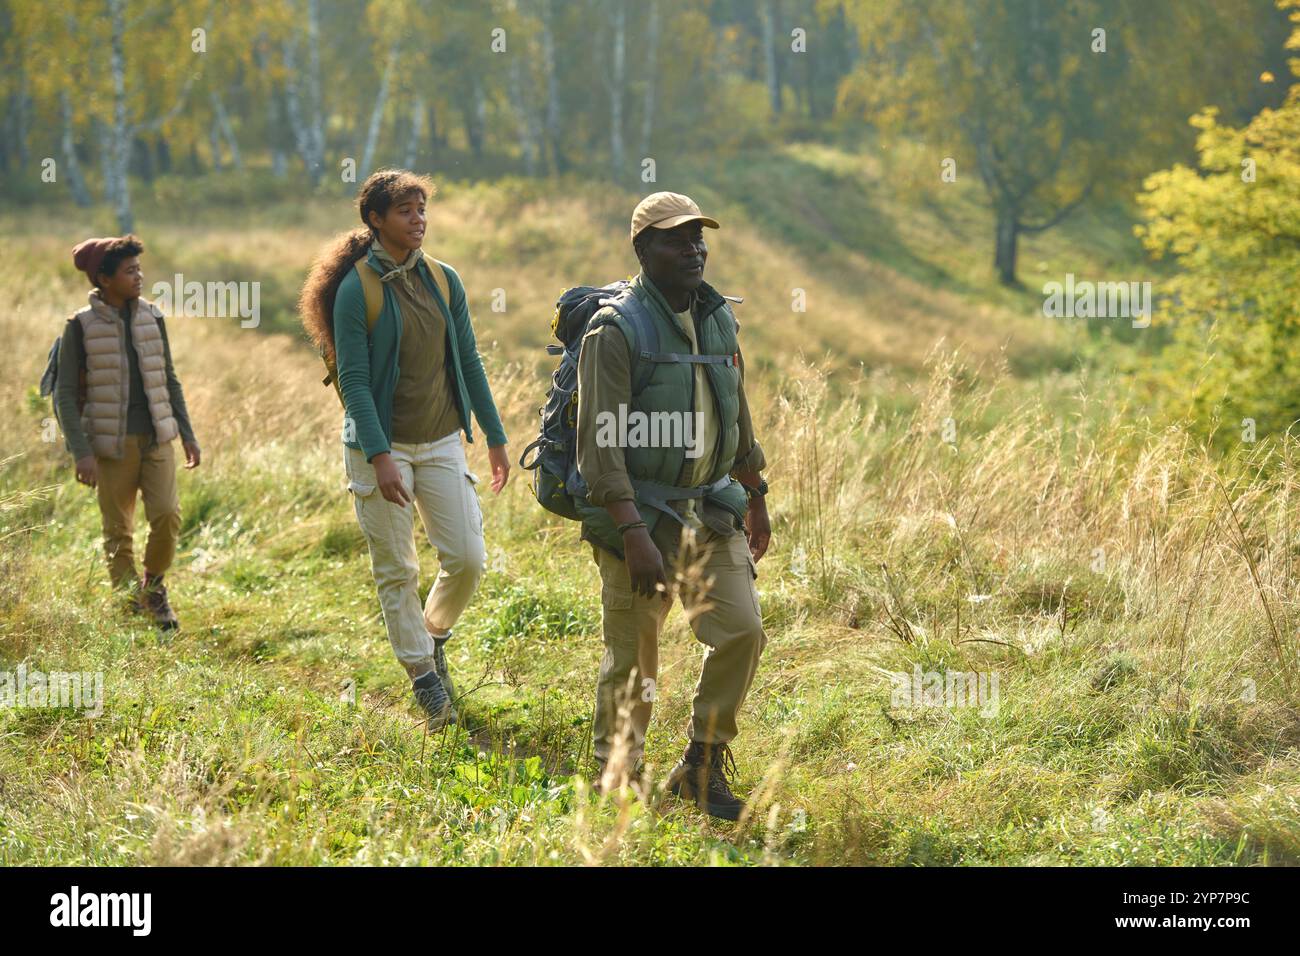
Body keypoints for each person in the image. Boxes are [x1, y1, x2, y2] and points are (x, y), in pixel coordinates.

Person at [575, 191, 771, 820]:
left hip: (712, 510)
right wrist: (631, 532)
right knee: (636, 659)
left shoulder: (718, 318)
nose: (693, 251)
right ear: (643, 249)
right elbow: (599, 445)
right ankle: (617, 777)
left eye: (697, 239)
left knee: (742, 631)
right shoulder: (615, 330)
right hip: (641, 518)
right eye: (675, 240)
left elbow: (736, 411)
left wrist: (755, 493)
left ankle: (701, 767)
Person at [299, 169, 510, 731]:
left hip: (441, 441)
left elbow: (469, 359)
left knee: (467, 558)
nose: (418, 220)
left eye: (422, 210)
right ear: (375, 220)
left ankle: (432, 635)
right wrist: (379, 456)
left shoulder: (444, 279)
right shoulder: (356, 290)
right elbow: (354, 381)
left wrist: (494, 436)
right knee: (398, 569)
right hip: (380, 447)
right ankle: (423, 677)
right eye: (405, 211)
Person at [54, 235, 201, 631]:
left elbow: (169, 378)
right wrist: (81, 452)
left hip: (157, 438)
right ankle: (128, 605)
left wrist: (187, 433)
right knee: (118, 532)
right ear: (104, 278)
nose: (139, 276)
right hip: (110, 447)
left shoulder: (152, 316)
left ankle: (153, 586)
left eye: (139, 269)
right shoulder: (79, 326)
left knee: (167, 515)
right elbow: (64, 394)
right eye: (129, 271)